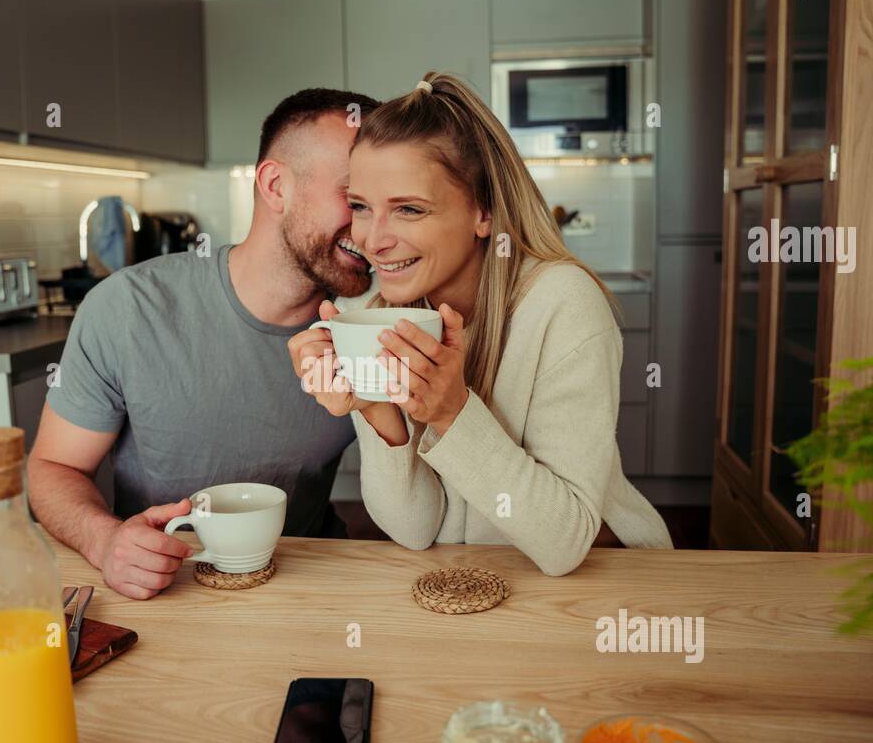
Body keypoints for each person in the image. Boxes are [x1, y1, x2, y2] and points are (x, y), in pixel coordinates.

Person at [287, 73, 672, 575]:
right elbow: (415, 530)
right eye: (361, 207)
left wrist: (451, 411)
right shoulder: (381, 317)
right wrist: (375, 407)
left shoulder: (561, 302)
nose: (372, 240)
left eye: (408, 209)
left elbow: (564, 545)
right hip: (471, 580)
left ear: (483, 211)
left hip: (606, 580)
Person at [30, 87, 380, 600]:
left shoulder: (370, 329)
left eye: (381, 205)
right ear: (276, 185)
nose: (373, 231)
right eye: (354, 200)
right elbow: (54, 467)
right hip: (165, 591)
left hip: (310, 590)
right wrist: (105, 541)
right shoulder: (128, 308)